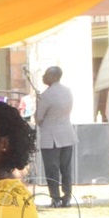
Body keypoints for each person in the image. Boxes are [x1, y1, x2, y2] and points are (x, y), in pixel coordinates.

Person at [35, 66, 76, 208]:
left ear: (52, 77)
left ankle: (55, 198)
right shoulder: (68, 91)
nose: (42, 77)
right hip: (67, 134)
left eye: (45, 74)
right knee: (66, 168)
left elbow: (39, 118)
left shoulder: (46, 95)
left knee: (52, 169)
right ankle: (67, 197)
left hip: (51, 137)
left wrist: (37, 104)